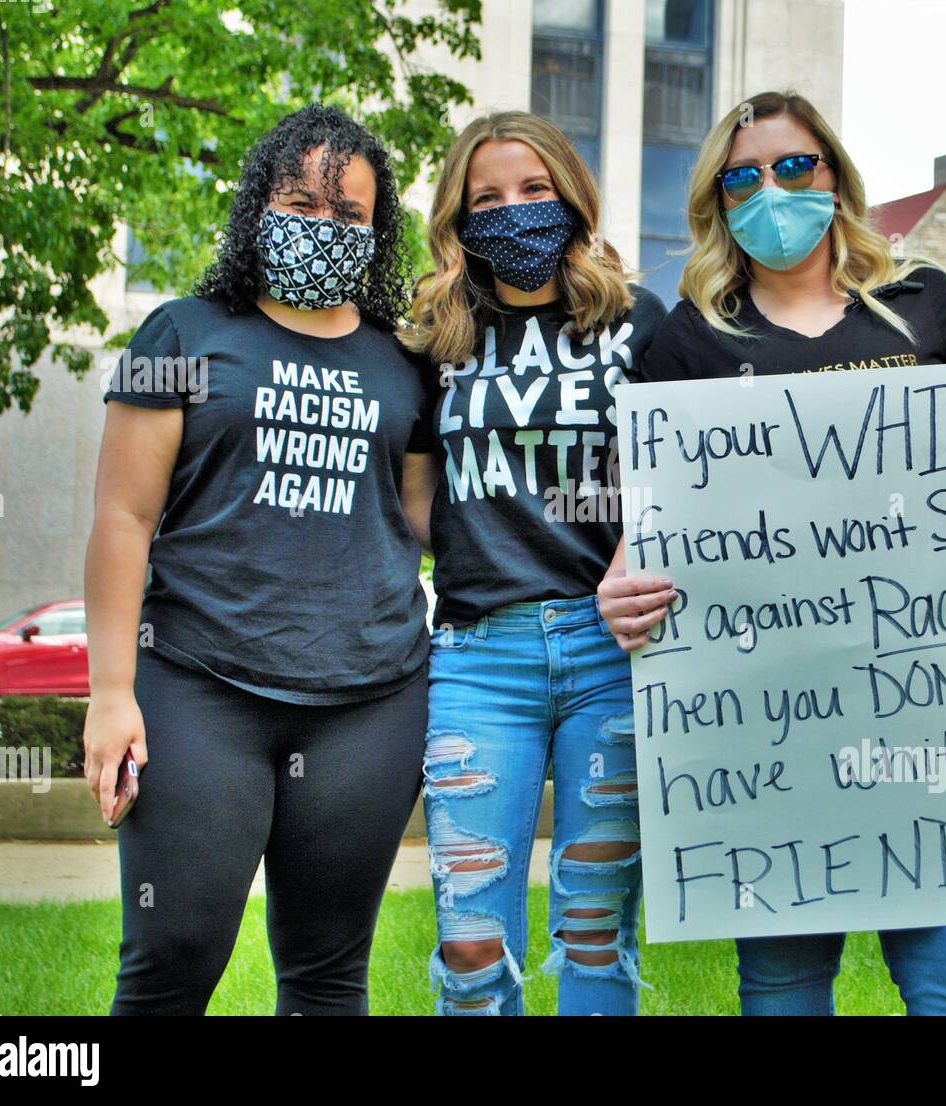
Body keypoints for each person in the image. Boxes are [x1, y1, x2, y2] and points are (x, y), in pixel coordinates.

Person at [599, 89, 946, 1017]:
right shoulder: (689, 341)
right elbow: (651, 520)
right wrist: (620, 589)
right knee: (782, 990)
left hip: (938, 736)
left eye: (796, 167)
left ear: (835, 175)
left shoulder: (929, 306)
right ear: (718, 200)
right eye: (743, 177)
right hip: (769, 742)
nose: (773, 190)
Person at [83, 106, 433, 1014]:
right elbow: (123, 517)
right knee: (175, 953)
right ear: (258, 208)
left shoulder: (405, 360)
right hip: (200, 686)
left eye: (348, 214)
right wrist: (111, 693)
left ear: (376, 228)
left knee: (327, 975)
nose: (323, 226)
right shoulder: (181, 335)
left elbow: (424, 517)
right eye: (298, 202)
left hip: (371, 698)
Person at [399, 111, 668, 1016]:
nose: (512, 209)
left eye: (533, 189)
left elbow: (683, 474)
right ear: (458, 218)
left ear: (572, 198)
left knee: (595, 933)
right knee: (471, 944)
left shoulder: (639, 324)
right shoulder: (432, 339)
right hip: (478, 660)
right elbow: (413, 499)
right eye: (487, 196)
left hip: (612, 657)